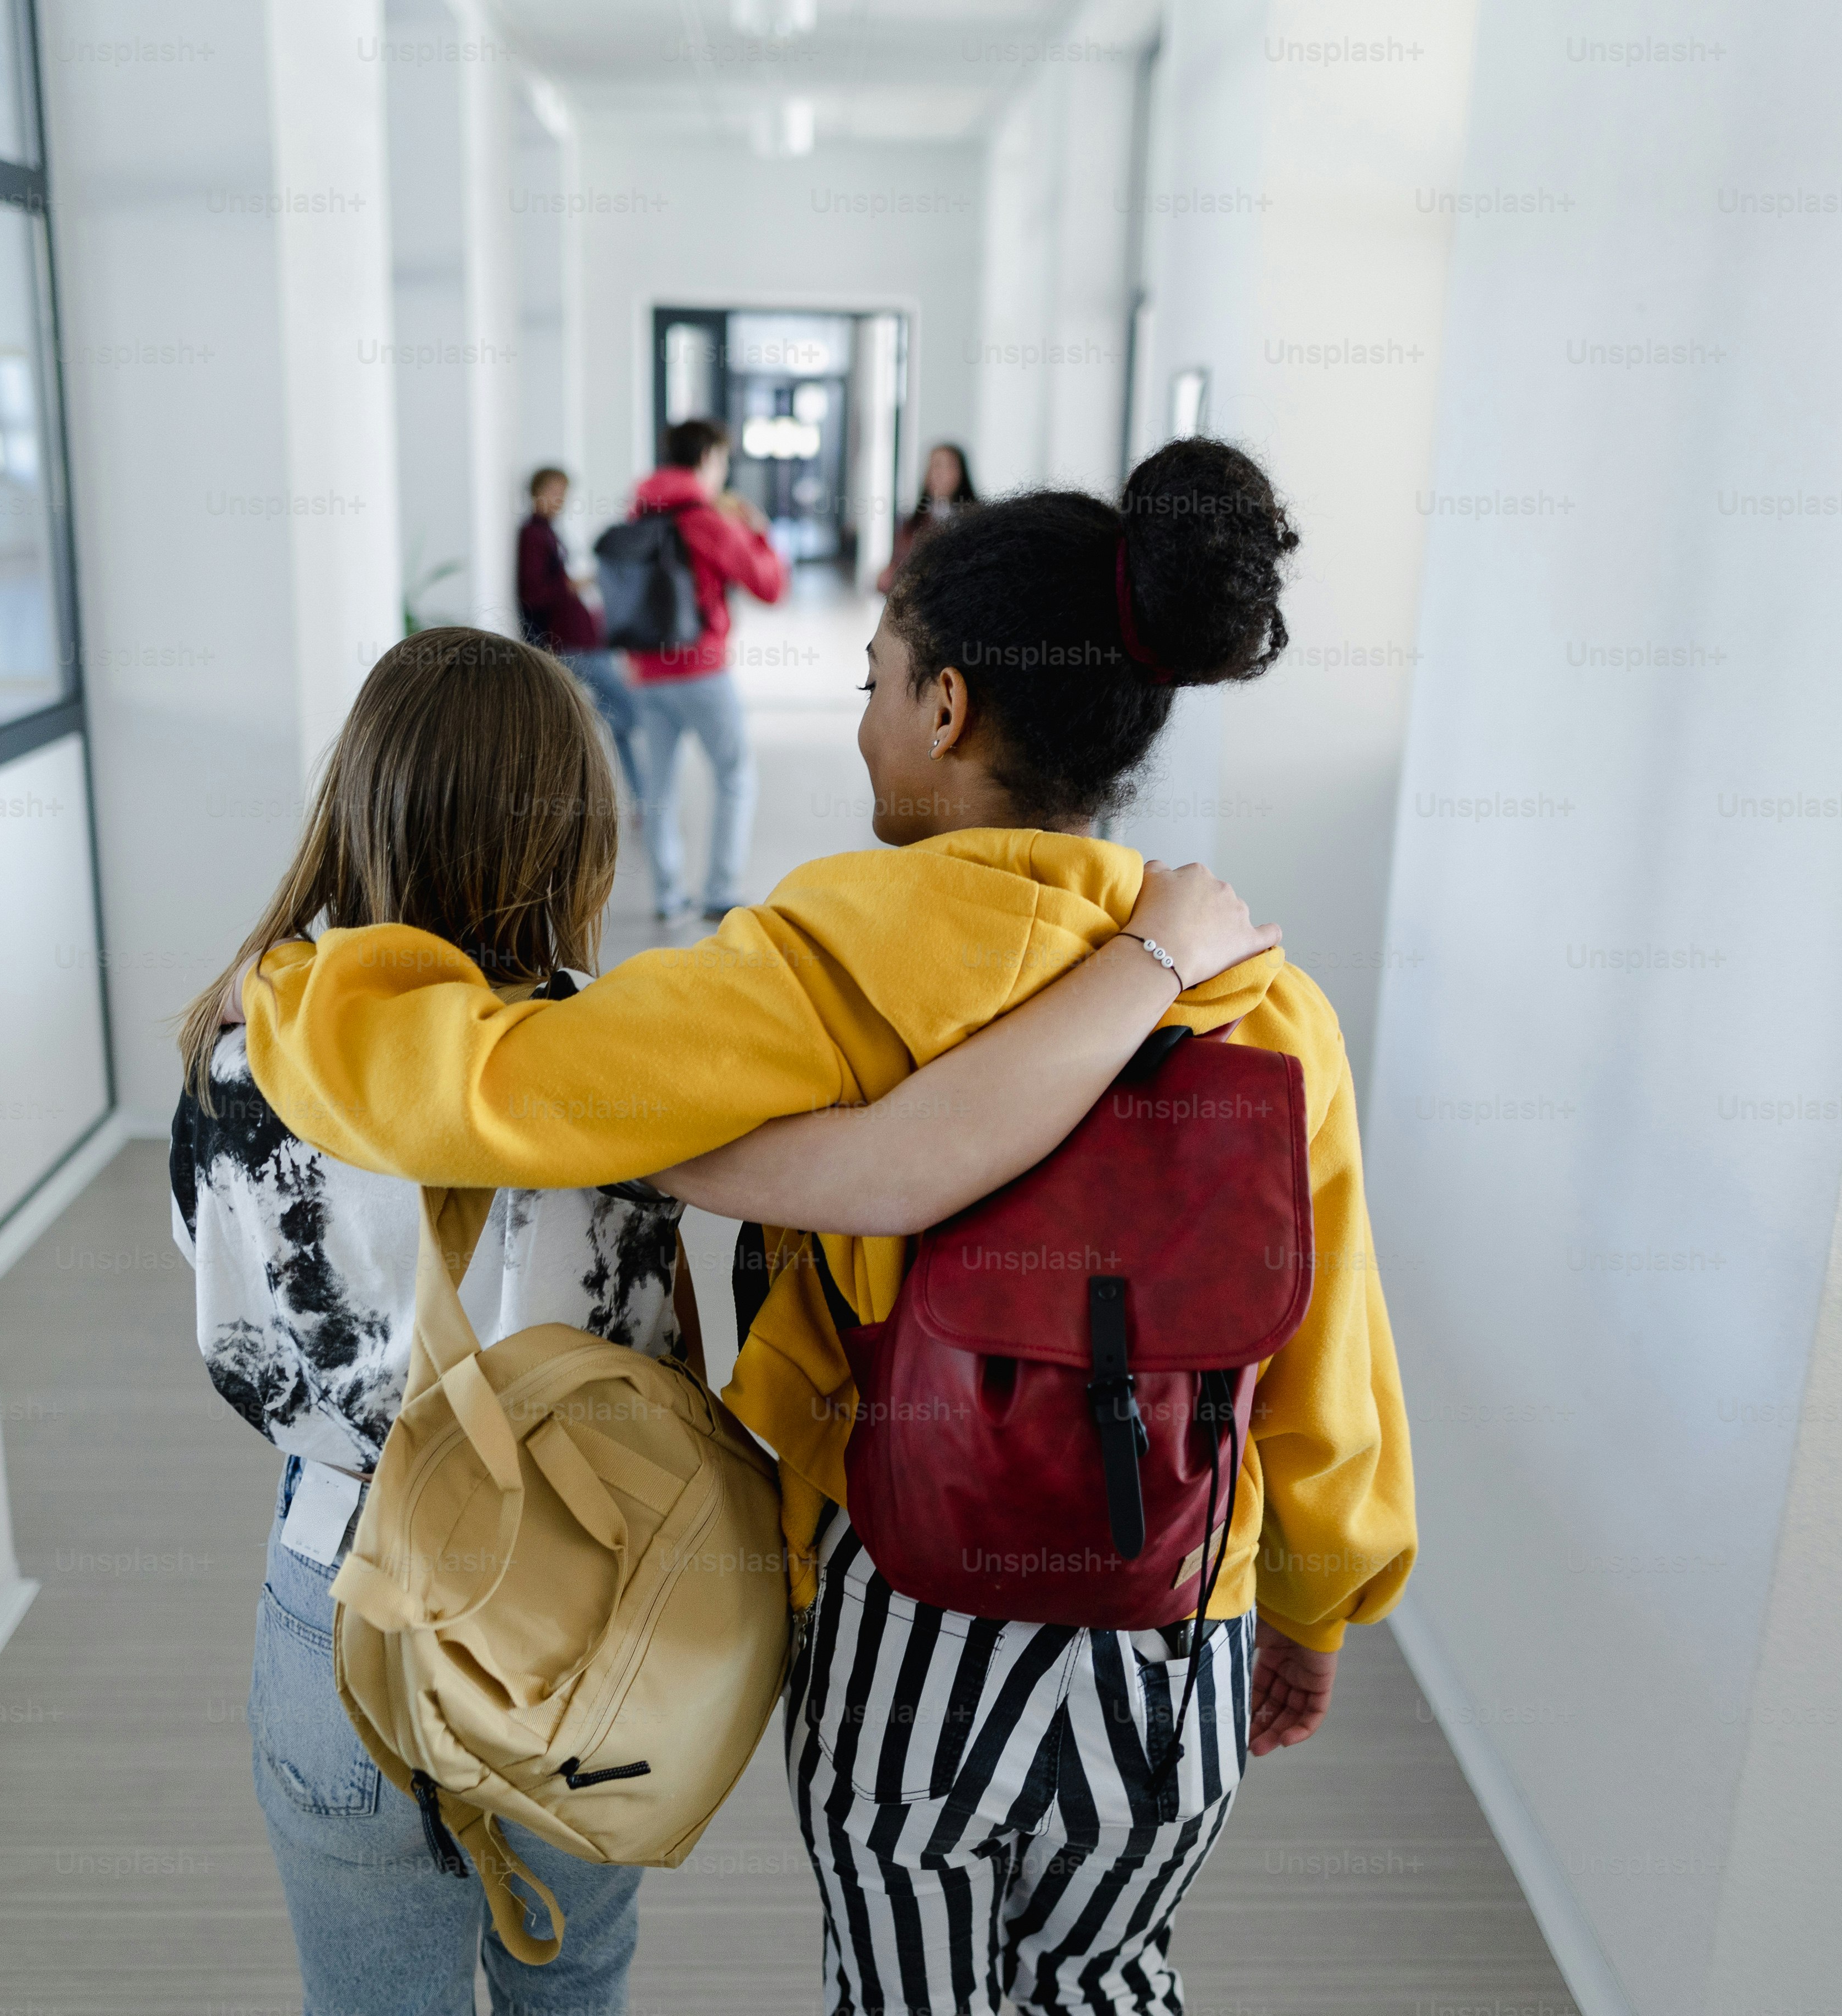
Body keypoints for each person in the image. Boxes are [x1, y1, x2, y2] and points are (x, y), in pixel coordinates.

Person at [235, 439, 1414, 2016]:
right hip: (1174, 1617)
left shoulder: (834, 953)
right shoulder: (1264, 1002)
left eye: (876, 677)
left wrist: (302, 996)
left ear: (945, 711)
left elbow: (507, 1081)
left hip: (910, 1620)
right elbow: (1325, 1369)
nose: (864, 712)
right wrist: (1319, 1606)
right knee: (1113, 1981)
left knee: (900, 1991)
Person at [627, 418, 786, 923]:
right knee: (735, 773)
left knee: (660, 787)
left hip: (647, 668)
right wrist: (757, 532)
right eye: (721, 461)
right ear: (707, 459)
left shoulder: (637, 510)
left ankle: (668, 895)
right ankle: (719, 890)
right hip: (700, 668)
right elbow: (768, 586)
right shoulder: (704, 517)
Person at [513, 465, 644, 800]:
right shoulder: (532, 535)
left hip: (585, 641)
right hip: (569, 646)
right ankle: (621, 785)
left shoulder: (549, 533)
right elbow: (533, 594)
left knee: (617, 718)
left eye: (563, 493)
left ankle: (641, 798)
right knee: (625, 713)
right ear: (536, 492)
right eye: (553, 491)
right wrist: (571, 586)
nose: (559, 500)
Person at [874, 438, 975, 592]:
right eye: (935, 467)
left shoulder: (975, 520)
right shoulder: (912, 525)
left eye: (948, 467)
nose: (940, 475)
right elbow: (896, 568)